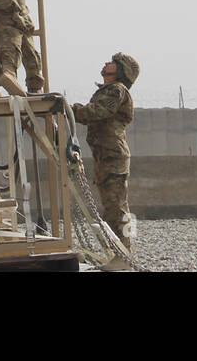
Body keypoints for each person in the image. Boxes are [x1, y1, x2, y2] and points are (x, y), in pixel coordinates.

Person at [72, 53, 139, 269]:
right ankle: (121, 254)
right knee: (112, 207)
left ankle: (124, 256)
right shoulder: (109, 90)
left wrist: (71, 110)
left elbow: (99, 111)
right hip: (105, 156)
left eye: (111, 63)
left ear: (120, 70)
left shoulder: (116, 90)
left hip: (113, 156)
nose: (105, 64)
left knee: (116, 207)